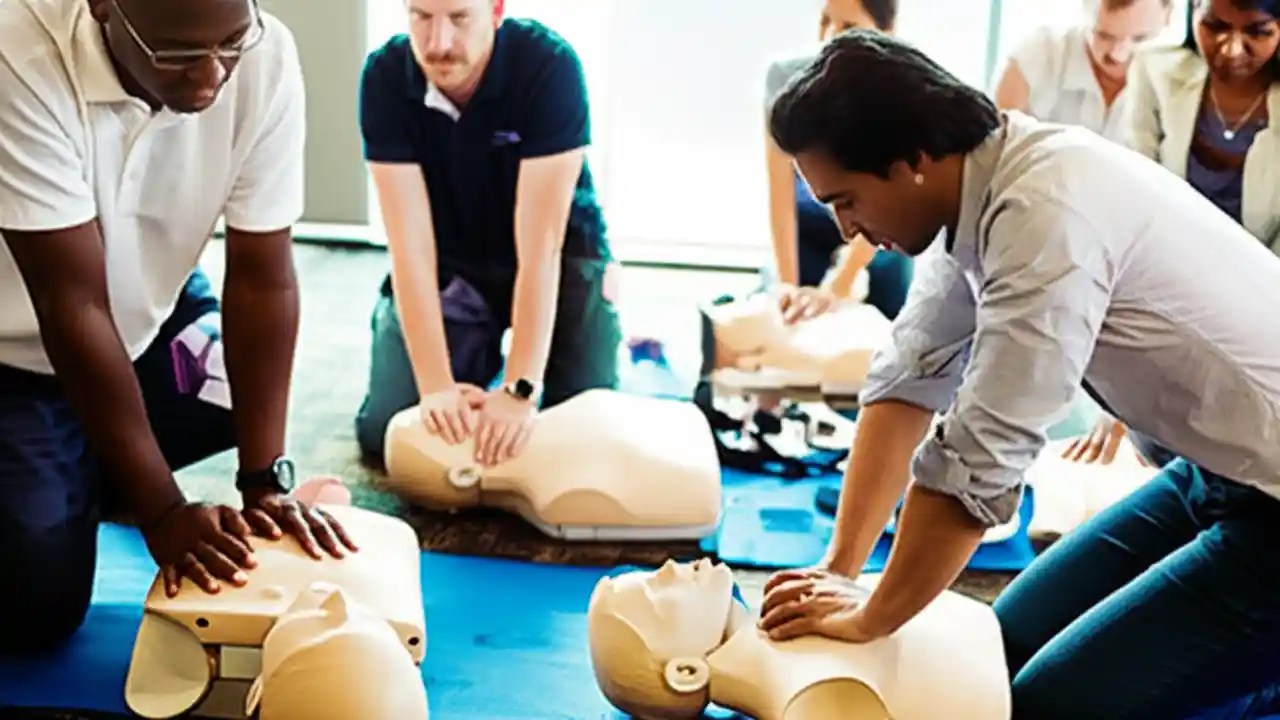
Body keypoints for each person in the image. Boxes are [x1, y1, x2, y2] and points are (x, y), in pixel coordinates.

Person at [755, 30, 1280, 719]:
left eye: (845, 200)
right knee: (996, 647)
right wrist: (839, 569)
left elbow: (982, 456)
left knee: (1046, 708)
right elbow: (906, 380)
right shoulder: (977, 187)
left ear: (911, 159)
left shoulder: (1045, 209)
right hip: (1213, 477)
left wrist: (872, 616)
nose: (845, 229)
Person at [0, 0, 355, 653]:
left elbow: (262, 278)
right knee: (37, 603)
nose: (209, 80)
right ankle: (70, 474)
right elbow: (69, 307)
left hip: (148, 315)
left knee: (239, 400)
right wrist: (161, 509)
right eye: (178, 54)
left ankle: (82, 466)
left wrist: (264, 482)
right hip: (20, 354)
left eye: (229, 44)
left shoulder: (265, 56)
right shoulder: (15, 54)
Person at [356, 0, 622, 468]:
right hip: (454, 267)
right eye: (421, 16)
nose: (439, 43)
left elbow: (541, 251)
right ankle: (460, 361)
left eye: (459, 18)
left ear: (496, 10)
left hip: (561, 263)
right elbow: (410, 249)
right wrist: (436, 387)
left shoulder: (549, 66)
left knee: (580, 434)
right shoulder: (384, 76)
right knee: (389, 433)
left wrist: (519, 391)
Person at [763, 0, 915, 323]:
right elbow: (780, 199)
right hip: (810, 227)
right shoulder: (782, 81)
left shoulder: (905, 89)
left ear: (886, 33)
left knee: (889, 307)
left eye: (848, 27)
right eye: (825, 21)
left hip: (878, 234)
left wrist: (838, 285)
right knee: (781, 311)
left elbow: (892, 206)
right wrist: (787, 287)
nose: (831, 36)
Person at [1126, 0, 1280, 249]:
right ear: (1192, 12)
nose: (1231, 50)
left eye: (1257, 32)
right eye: (1215, 26)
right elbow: (1136, 182)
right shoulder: (1156, 71)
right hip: (1162, 254)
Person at [992, 0, 1172, 144]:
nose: (1119, 56)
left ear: (1168, 15)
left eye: (1140, 38)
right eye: (1103, 36)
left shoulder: (1180, 84)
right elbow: (997, 153)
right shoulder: (1037, 56)